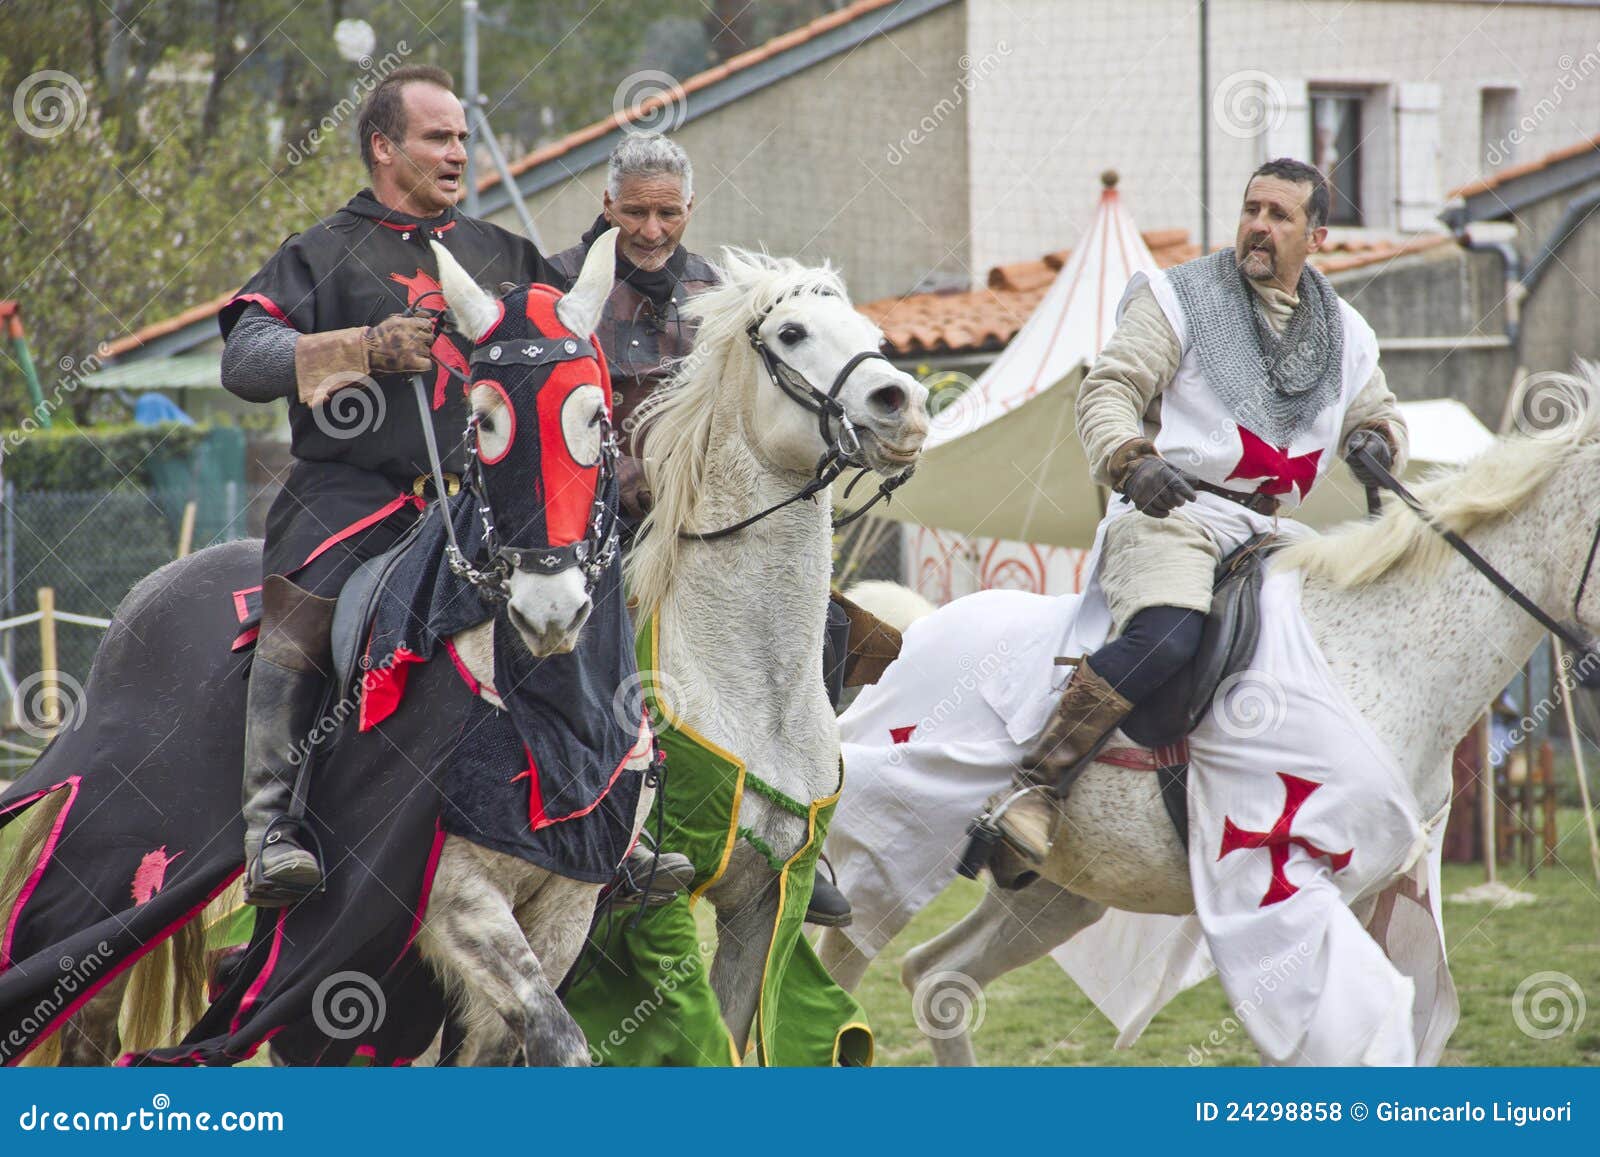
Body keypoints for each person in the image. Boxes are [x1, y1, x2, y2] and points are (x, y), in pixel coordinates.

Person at [220, 65, 596, 906]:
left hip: (482, 506)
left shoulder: (504, 254)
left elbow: (573, 349)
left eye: (462, 136)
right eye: (438, 136)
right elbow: (244, 362)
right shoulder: (321, 251)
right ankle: (271, 825)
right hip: (353, 495)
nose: (457, 151)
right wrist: (360, 347)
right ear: (384, 147)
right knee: (309, 604)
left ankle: (609, 810)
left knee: (586, 595)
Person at [991, 158, 1409, 864]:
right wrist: (1132, 458)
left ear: (1319, 237)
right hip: (1173, 512)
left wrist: (1377, 442)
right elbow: (1109, 389)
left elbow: (1380, 414)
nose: (1259, 226)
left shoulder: (1348, 332)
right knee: (1169, 635)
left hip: (1274, 531)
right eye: (1252, 209)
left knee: (1342, 640)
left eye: (1281, 216)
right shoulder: (1178, 297)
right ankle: (1035, 786)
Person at [549, 134, 896, 925]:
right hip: (597, 509)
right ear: (607, 205)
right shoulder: (567, 286)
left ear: (689, 210)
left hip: (712, 513)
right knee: (596, 632)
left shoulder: (719, 289)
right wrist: (635, 483)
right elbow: (565, 408)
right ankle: (613, 823)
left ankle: (792, 816)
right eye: (634, 210)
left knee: (832, 625)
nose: (649, 227)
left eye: (666, 211)